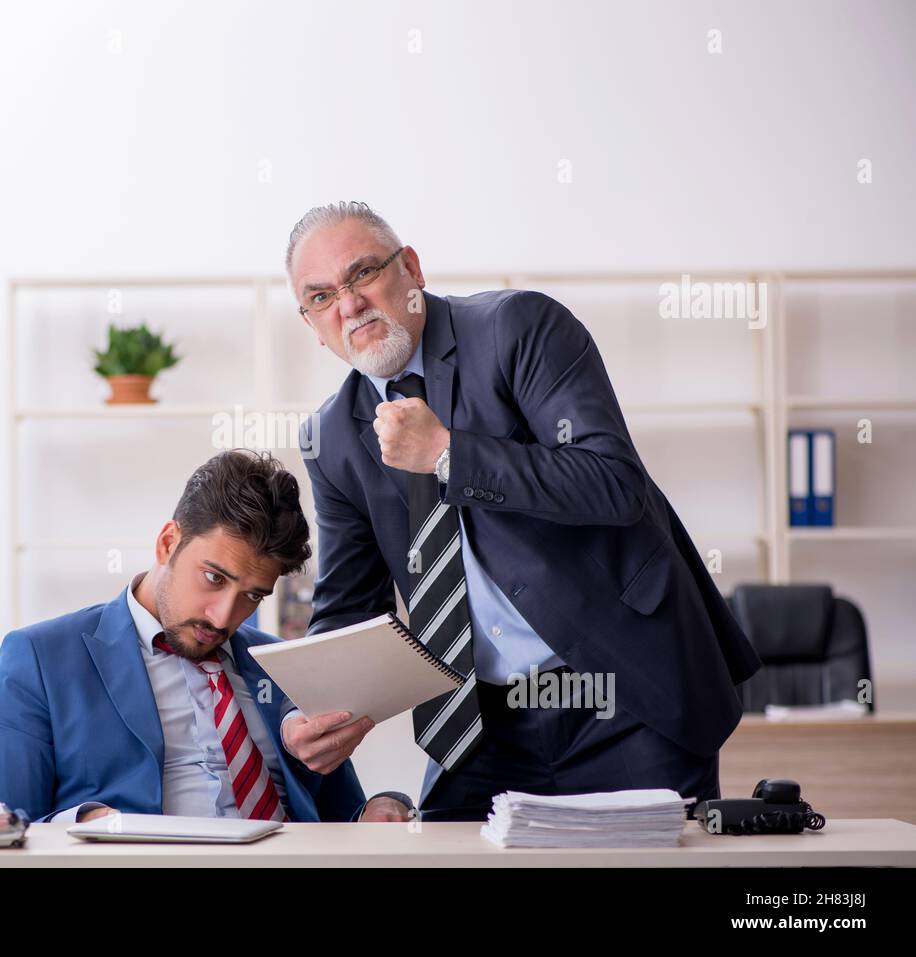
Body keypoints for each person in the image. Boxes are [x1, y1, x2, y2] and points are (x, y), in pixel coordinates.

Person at [279, 201, 763, 821]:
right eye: (321, 297)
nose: (348, 306)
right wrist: (315, 711)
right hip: (480, 725)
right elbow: (349, 606)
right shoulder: (333, 436)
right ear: (310, 323)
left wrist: (447, 453)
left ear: (412, 269)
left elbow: (613, 482)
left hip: (621, 697)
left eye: (363, 274)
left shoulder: (518, 327)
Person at [0, 448, 411, 823]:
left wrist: (382, 809)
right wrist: (85, 824)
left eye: (251, 596)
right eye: (215, 579)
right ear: (167, 543)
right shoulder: (41, 659)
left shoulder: (284, 666)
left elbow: (343, 815)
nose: (223, 617)